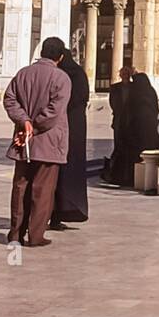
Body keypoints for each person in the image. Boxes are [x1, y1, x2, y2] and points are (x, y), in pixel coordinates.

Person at [3, 37, 72, 247]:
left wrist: (24, 122)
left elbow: (9, 99)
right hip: (48, 141)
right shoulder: (61, 78)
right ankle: (36, 235)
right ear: (60, 57)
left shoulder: (23, 73)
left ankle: (15, 233)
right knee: (42, 190)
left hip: (23, 140)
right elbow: (54, 112)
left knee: (20, 187)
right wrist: (34, 126)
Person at [50, 47, 91, 228]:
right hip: (75, 129)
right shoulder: (78, 75)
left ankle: (50, 213)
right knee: (68, 172)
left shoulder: (59, 75)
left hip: (59, 127)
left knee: (55, 172)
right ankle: (65, 211)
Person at [119, 71, 159, 185]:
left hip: (137, 132)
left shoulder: (136, 93)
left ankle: (134, 179)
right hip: (152, 130)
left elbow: (129, 111)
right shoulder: (150, 91)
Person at [105, 63, 134, 184]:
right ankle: (114, 172)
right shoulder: (115, 87)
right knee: (118, 145)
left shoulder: (134, 87)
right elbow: (113, 102)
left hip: (131, 121)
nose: (125, 75)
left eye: (127, 73)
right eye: (123, 73)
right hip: (119, 120)